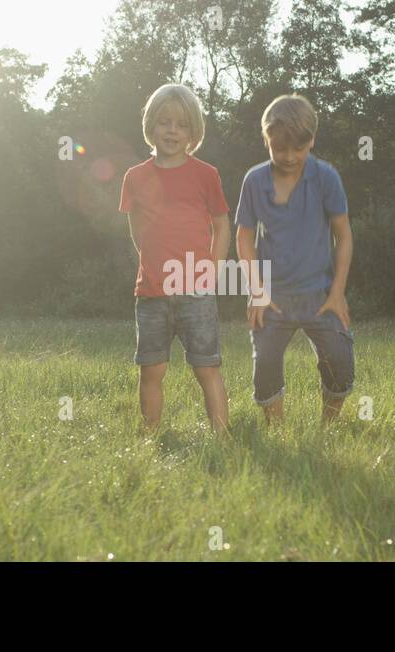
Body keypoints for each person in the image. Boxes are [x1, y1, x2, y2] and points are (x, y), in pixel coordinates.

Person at [234, 94, 355, 424]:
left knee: (340, 360)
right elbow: (244, 237)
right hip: (272, 296)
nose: (289, 157)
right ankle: (278, 430)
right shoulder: (254, 181)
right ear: (266, 141)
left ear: (312, 140)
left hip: (320, 293)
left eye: (298, 149)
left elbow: (343, 235)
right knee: (266, 364)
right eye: (279, 149)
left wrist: (338, 292)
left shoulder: (326, 178)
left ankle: (328, 427)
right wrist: (257, 291)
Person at [118, 84, 231, 431]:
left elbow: (221, 225)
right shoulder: (134, 177)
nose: (172, 130)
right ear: (151, 125)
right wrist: (153, 264)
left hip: (196, 290)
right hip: (151, 292)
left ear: (193, 132)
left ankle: (222, 436)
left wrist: (212, 269)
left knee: (206, 367)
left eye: (181, 124)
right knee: (151, 369)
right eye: (165, 122)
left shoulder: (206, 175)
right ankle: (150, 436)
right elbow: (136, 229)